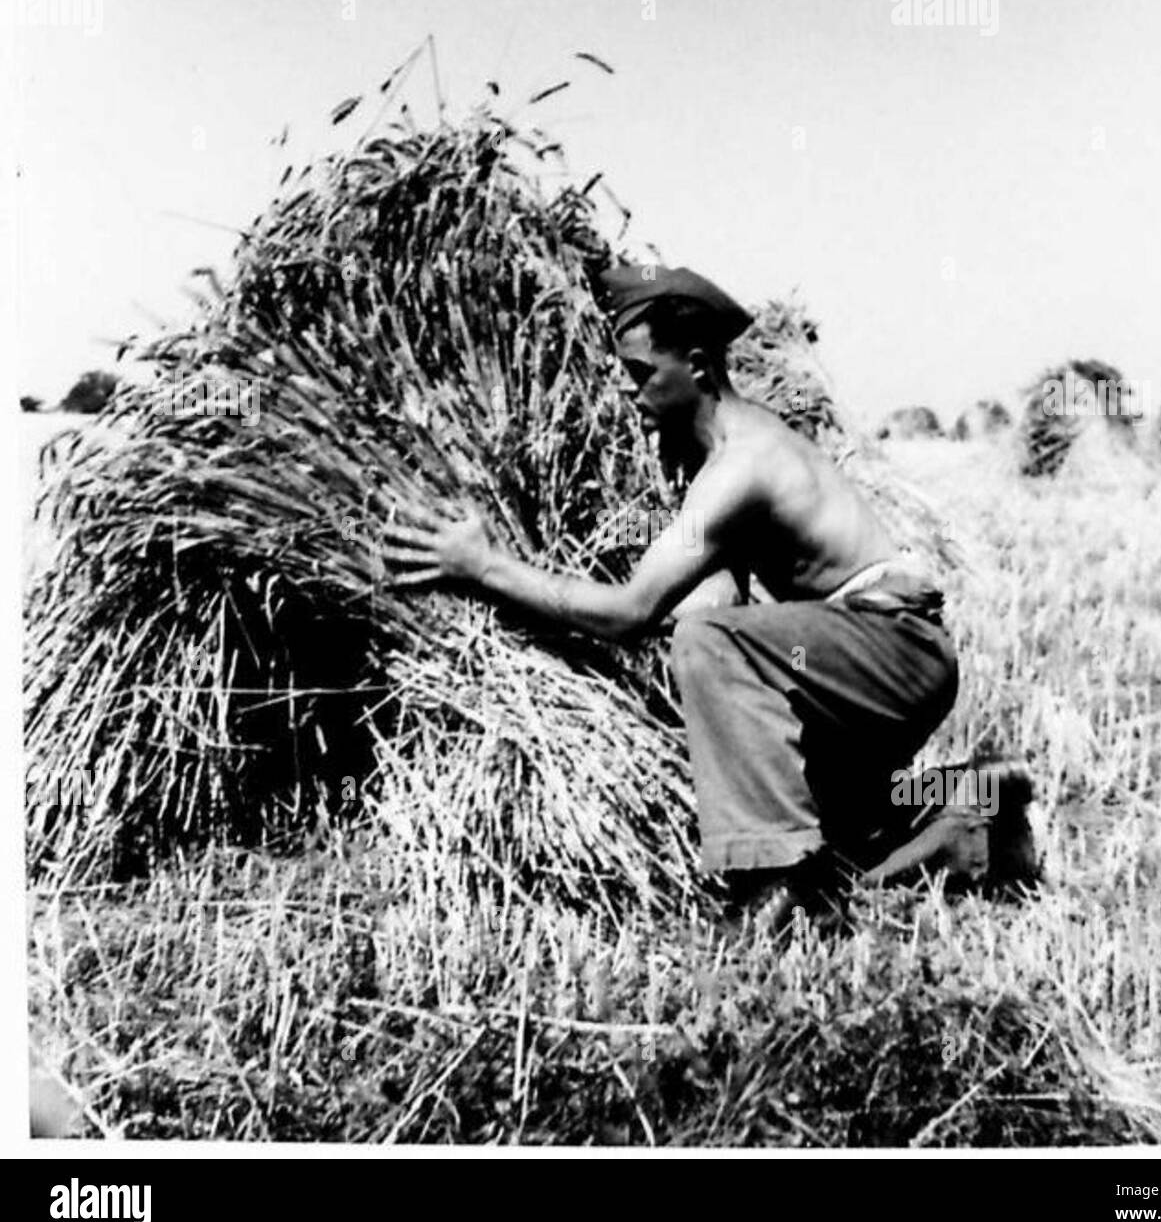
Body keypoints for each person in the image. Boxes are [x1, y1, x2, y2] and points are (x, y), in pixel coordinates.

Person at [382, 265, 963, 930]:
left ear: (696, 366)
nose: (631, 393)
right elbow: (713, 602)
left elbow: (635, 613)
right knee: (852, 830)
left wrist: (485, 567)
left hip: (898, 649)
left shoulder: (741, 465)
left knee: (709, 645)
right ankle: (974, 821)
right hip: (863, 657)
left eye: (641, 373)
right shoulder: (725, 452)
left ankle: (781, 880)